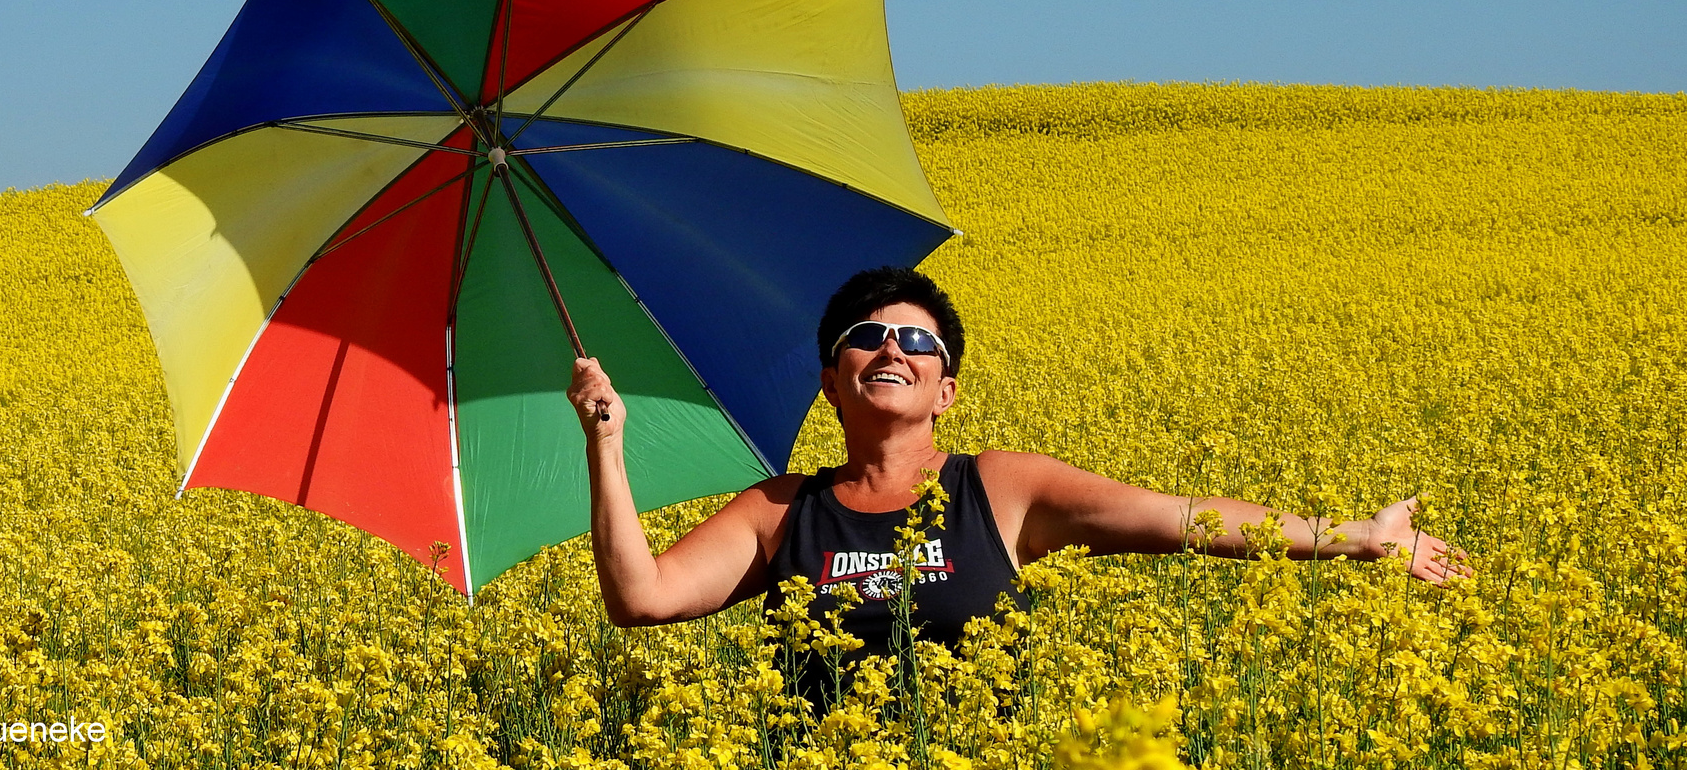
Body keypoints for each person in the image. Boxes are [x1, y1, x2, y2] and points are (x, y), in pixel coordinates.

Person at [568, 265, 1467, 668]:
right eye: (865, 336)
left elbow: (1180, 518)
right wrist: (606, 445)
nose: (892, 347)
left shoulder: (1001, 488)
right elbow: (641, 598)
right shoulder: (779, 510)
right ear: (829, 382)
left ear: (945, 388)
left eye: (916, 339)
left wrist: (1359, 540)